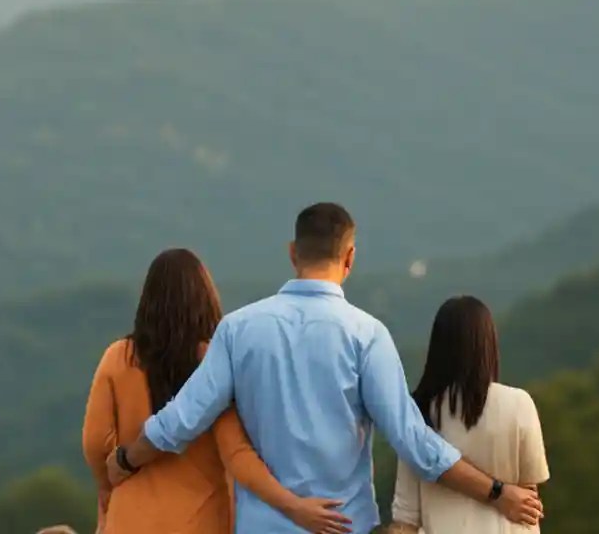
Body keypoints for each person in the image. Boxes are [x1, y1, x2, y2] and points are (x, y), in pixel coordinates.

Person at [105, 203, 544, 534]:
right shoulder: (367, 335)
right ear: (350, 257)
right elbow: (415, 442)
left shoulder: (238, 330)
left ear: (293, 252)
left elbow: (182, 418)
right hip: (343, 524)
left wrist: (125, 459)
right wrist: (497, 493)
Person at [83, 248, 353, 533]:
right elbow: (237, 453)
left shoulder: (119, 357)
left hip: (129, 519)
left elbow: (95, 442)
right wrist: (293, 506)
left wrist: (109, 484)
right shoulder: (217, 363)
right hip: (202, 521)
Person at [388, 296, 550, 533]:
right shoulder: (519, 404)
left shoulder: (418, 412)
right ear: (488, 343)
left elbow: (406, 519)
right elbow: (528, 501)